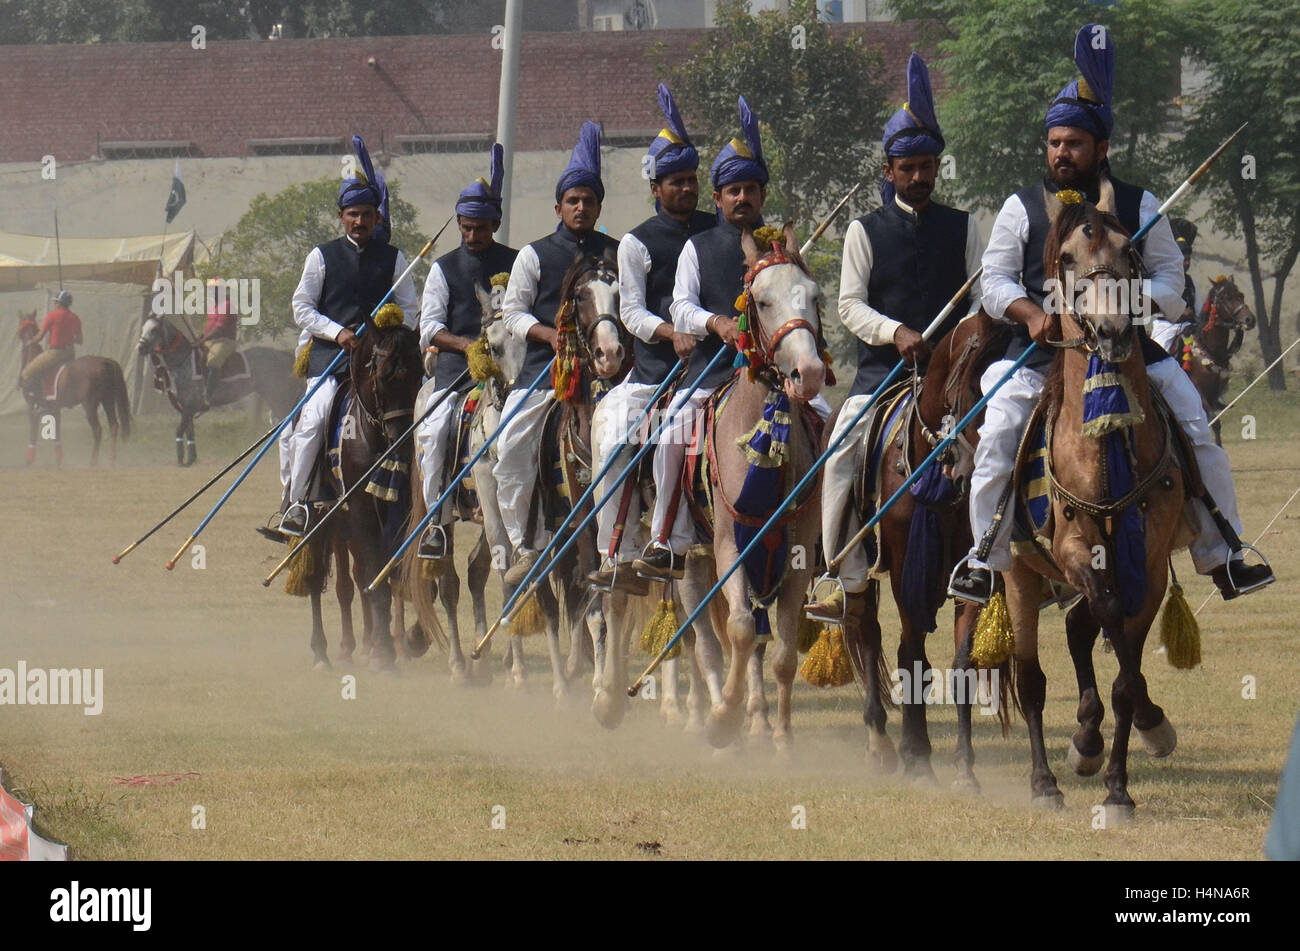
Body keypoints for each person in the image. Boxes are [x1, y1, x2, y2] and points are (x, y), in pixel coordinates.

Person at [947, 23, 1273, 604]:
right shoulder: (1021, 208)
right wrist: (1028, 314)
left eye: (1073, 143)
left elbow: (1173, 280)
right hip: (1037, 355)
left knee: (1198, 430)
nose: (1061, 153)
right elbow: (993, 281)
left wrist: (1131, 304)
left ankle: (1223, 553)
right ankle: (985, 558)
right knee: (997, 436)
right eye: (1054, 143)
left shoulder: (1141, 203)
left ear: (1100, 148)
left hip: (1131, 355)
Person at [805, 52, 982, 620]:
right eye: (907, 168)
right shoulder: (864, 229)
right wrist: (899, 332)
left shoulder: (964, 226)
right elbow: (849, 306)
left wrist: (963, 341)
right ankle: (842, 575)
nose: (919, 176)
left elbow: (982, 299)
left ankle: (1002, 557)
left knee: (1006, 441)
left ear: (938, 166)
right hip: (883, 378)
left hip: (955, 380)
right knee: (838, 455)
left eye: (927, 165)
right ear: (889, 171)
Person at [632, 95, 831, 581]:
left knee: (831, 428)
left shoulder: (781, 247)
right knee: (671, 435)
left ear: (762, 196)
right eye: (732, 190)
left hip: (777, 376)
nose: (742, 198)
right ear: (717, 198)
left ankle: (825, 543)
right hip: (711, 375)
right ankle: (667, 537)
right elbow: (679, 304)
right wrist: (716, 324)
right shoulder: (696, 247)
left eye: (751, 189)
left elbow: (804, 304)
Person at [586, 84, 716, 589]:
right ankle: (619, 553)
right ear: (656, 188)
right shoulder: (637, 242)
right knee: (616, 435)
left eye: (691, 180)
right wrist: (671, 331)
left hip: (714, 369)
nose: (686, 189)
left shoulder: (716, 228)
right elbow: (633, 314)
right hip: (655, 373)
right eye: (675, 182)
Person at [496, 121, 620, 586]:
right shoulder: (534, 254)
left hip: (608, 378)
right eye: (573, 201)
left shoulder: (617, 251)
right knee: (509, 449)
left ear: (599, 206)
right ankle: (525, 546)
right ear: (559, 207)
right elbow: (512, 314)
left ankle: (632, 543)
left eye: (589, 201)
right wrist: (549, 336)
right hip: (543, 376)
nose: (581, 207)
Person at [277, 135, 418, 537]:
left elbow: (410, 309)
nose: (360, 221)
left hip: (380, 365)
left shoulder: (395, 258)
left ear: (377, 217)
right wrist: (337, 332)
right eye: (353, 214)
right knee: (312, 420)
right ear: (341, 216)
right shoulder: (321, 256)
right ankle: (299, 502)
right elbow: (301, 307)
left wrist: (390, 322)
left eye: (368, 215)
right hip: (331, 362)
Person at [414, 143, 518, 560]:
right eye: (465, 227)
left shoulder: (517, 261)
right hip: (455, 375)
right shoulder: (443, 268)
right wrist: (468, 345)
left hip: (511, 373)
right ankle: (435, 523)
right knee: (435, 431)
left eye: (480, 227)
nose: (472, 235)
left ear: (494, 223)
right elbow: (429, 329)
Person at [1149, 217, 1199, 351]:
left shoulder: (1191, 282)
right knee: (1159, 358)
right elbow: (1155, 306)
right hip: (1166, 328)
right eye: (1183, 260)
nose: (1186, 263)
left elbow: (1198, 309)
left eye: (1188, 260)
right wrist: (1179, 311)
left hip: (1190, 328)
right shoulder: (1161, 279)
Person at [20, 289, 82, 394]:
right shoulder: (75, 317)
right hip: (71, 353)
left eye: (55, 302)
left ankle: (38, 400)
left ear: (59, 303)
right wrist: (69, 338)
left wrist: (30, 342)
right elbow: (80, 340)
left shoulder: (52, 315)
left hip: (55, 353)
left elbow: (39, 337)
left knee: (27, 373)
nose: (54, 304)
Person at [200, 277, 238, 409]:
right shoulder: (212, 306)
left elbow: (219, 328)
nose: (210, 292)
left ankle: (209, 397)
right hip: (211, 340)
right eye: (209, 290)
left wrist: (203, 340)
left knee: (213, 361)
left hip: (225, 341)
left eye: (213, 290)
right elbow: (209, 327)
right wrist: (200, 338)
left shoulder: (227, 305)